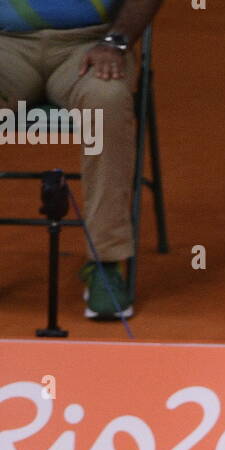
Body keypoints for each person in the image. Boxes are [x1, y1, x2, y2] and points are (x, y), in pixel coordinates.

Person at [0, 0, 161, 319]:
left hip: (90, 45)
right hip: (6, 46)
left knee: (107, 100)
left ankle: (106, 264)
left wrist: (117, 41)